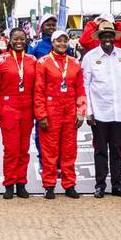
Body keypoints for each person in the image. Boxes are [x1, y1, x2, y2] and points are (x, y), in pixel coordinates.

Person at [82, 20, 121, 198]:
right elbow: (84, 86)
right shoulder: (89, 57)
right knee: (101, 151)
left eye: (111, 35)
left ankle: (117, 185)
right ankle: (100, 185)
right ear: (99, 38)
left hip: (119, 111)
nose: (108, 38)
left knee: (117, 150)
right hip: (99, 112)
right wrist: (87, 111)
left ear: (115, 37)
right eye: (104, 35)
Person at [34, 29, 86, 198]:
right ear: (53, 43)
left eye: (65, 41)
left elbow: (80, 90)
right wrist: (41, 115)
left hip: (70, 111)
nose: (62, 44)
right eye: (58, 41)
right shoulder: (43, 62)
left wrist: (81, 112)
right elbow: (39, 91)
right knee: (49, 150)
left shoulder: (74, 63)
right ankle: (49, 185)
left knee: (69, 151)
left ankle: (69, 185)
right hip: (51, 111)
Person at [0, 26, 37, 198]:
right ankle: (9, 184)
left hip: (27, 108)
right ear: (9, 40)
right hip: (8, 108)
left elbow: (38, 87)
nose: (19, 41)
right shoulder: (0, 60)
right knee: (11, 149)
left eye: (22, 38)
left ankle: (21, 183)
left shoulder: (33, 60)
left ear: (26, 40)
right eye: (15, 39)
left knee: (24, 149)